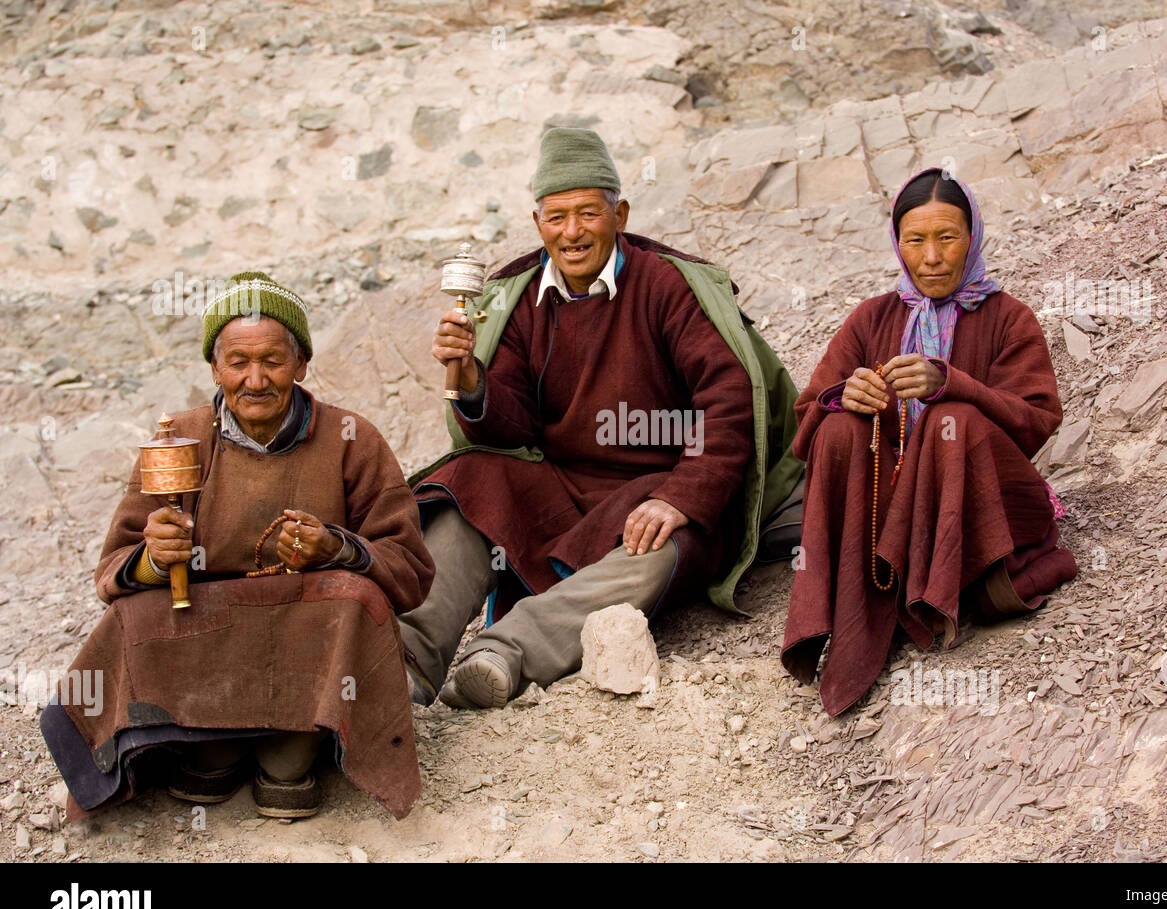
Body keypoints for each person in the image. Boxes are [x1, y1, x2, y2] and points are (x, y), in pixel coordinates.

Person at [401, 127, 801, 709]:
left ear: (620, 214)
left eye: (588, 213)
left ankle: (505, 652)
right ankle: (409, 655)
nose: (572, 232)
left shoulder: (666, 285)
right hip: (559, 480)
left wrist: (682, 497)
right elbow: (511, 431)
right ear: (537, 223)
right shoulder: (516, 297)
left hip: (654, 485)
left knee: (659, 548)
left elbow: (729, 399)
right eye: (556, 217)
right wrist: (468, 379)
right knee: (473, 487)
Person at [40, 272, 435, 820]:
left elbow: (409, 567)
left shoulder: (352, 438)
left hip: (305, 641)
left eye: (273, 362)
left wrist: (338, 549)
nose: (255, 380)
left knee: (350, 600)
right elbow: (112, 570)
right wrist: (154, 559)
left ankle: (289, 743)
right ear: (214, 367)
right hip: (207, 642)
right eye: (238, 363)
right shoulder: (178, 439)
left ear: (301, 365)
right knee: (135, 614)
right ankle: (205, 739)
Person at [783, 168, 1077, 716]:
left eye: (948, 237)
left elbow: (1036, 419)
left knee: (955, 420)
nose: (933, 257)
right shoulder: (872, 317)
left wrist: (953, 384)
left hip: (974, 503)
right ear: (898, 245)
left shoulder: (1009, 318)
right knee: (841, 427)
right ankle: (864, 602)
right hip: (888, 504)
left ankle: (937, 588)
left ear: (974, 237)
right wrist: (843, 396)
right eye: (916, 240)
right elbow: (808, 410)